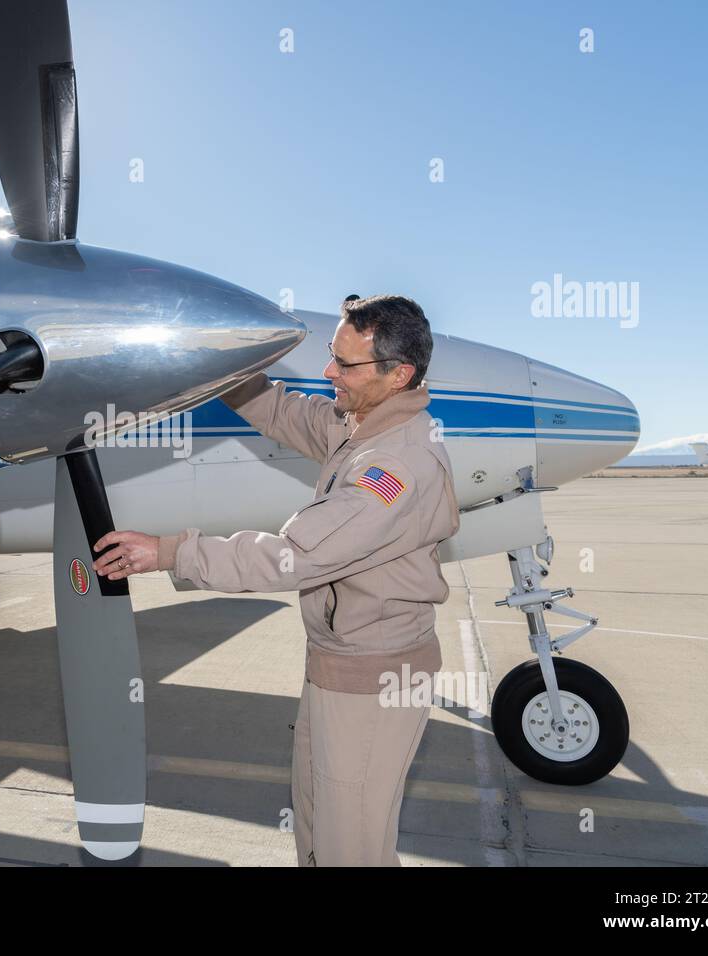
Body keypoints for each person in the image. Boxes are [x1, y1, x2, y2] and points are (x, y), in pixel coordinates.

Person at [92, 294, 459, 866]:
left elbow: (293, 557)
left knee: (350, 848)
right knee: (316, 822)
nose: (327, 371)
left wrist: (170, 552)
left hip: (373, 677)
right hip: (339, 665)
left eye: (344, 364)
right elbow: (285, 413)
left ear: (399, 374)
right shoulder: (361, 426)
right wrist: (223, 371)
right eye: (331, 355)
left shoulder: (395, 466)